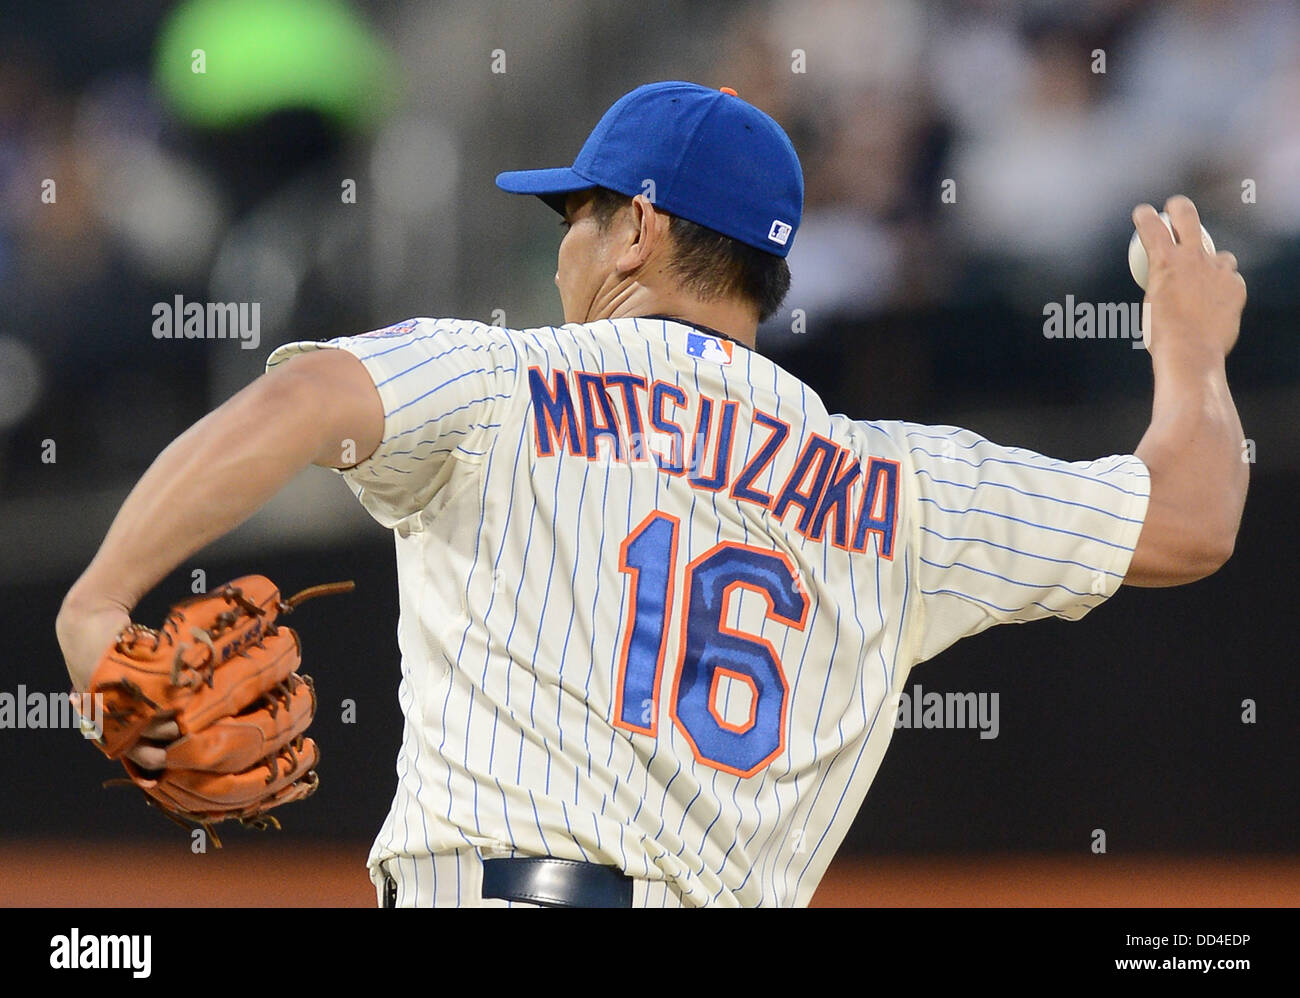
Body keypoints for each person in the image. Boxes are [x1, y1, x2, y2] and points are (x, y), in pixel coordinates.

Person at [55, 81, 1248, 907]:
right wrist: (1190, 356)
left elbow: (301, 398)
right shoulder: (902, 482)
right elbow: (1192, 515)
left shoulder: (501, 378)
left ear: (639, 229)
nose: (564, 247)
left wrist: (101, 599)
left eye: (575, 215)